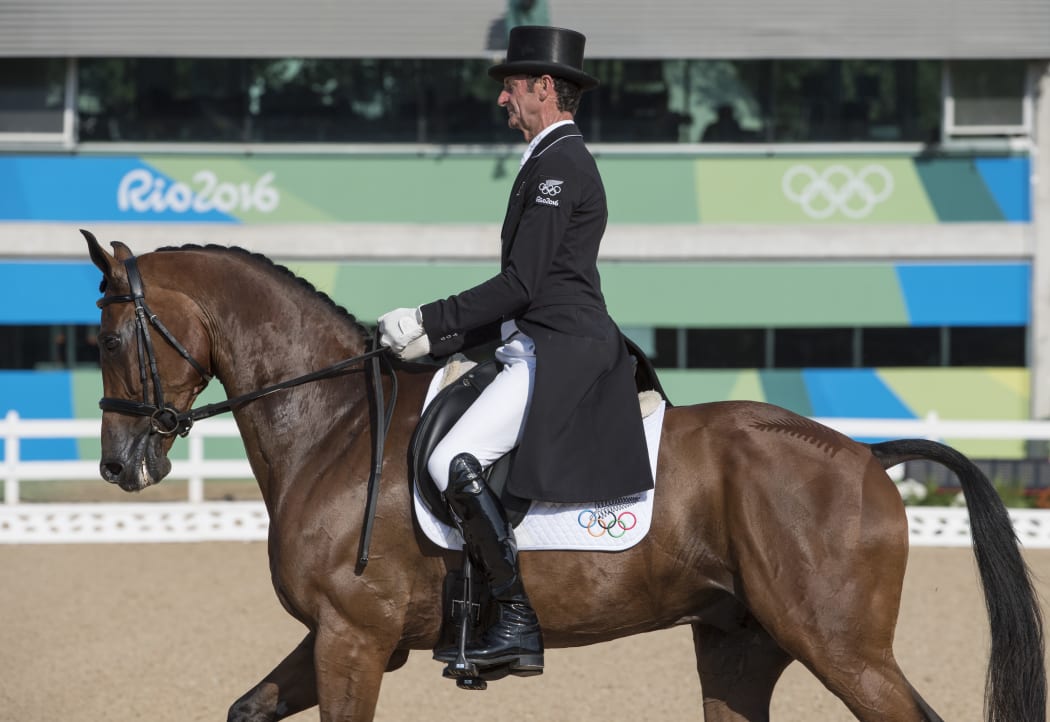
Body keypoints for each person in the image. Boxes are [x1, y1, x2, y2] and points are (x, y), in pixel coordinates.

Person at [377, 25, 654, 675]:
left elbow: (523, 285)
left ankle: (515, 618)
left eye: (512, 89)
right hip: (536, 338)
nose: (503, 101)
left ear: (545, 88)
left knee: (453, 458)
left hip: (561, 346)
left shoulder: (561, 164)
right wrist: (433, 341)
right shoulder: (547, 161)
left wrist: (428, 316)